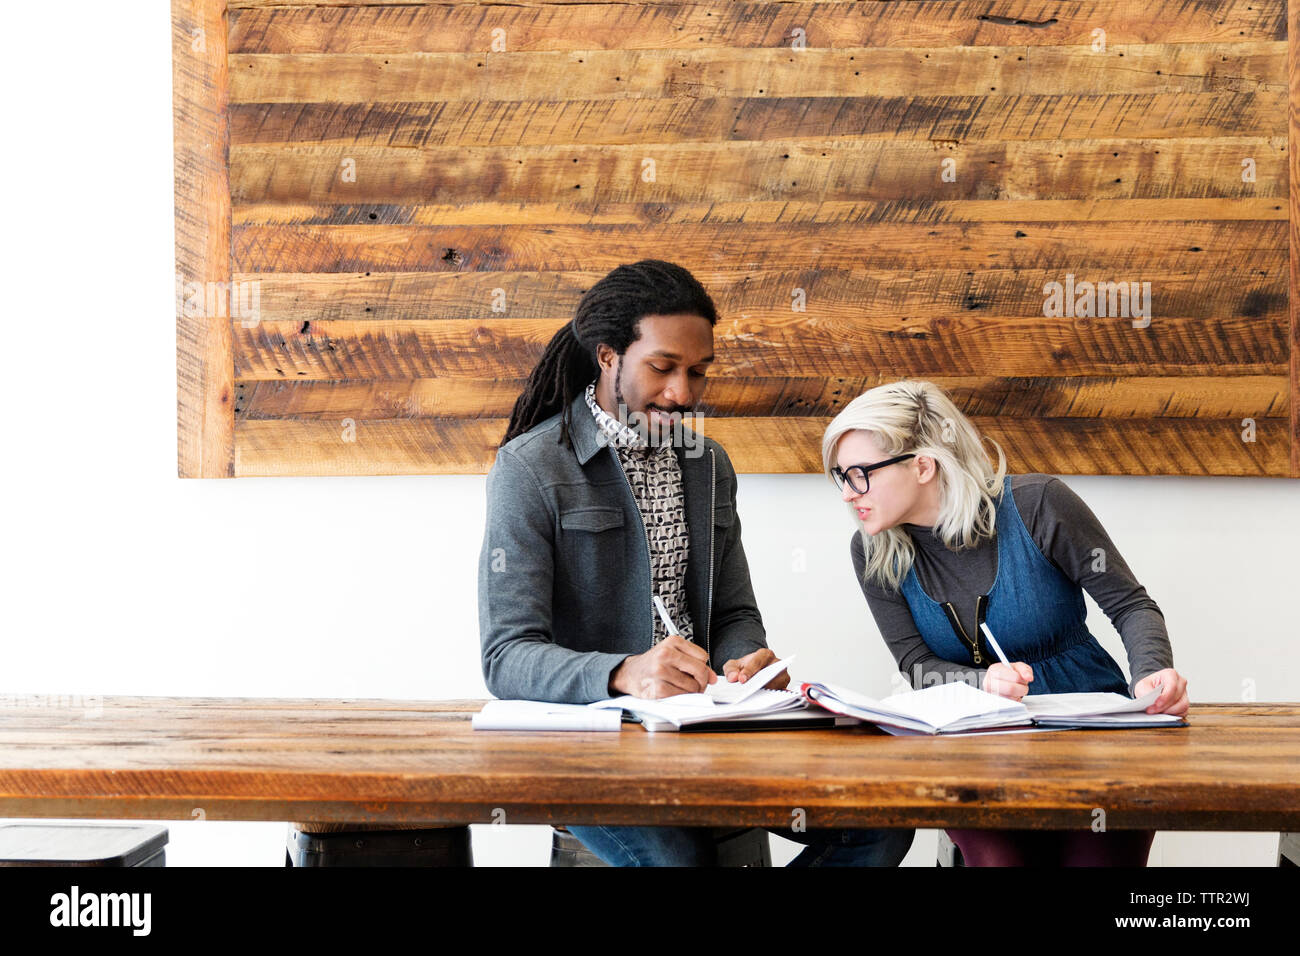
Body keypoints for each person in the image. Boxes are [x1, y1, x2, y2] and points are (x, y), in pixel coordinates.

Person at [478, 259, 915, 866]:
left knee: (881, 827)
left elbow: (734, 609)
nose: (682, 394)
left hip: (708, 732)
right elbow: (506, 658)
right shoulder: (529, 470)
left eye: (697, 372)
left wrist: (745, 661)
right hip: (592, 750)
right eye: (662, 368)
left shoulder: (707, 463)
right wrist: (625, 672)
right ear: (608, 356)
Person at [821, 379, 1189, 867]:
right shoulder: (873, 551)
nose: (849, 494)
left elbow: (1130, 605)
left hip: (1092, 735)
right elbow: (916, 666)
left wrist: (1152, 673)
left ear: (923, 465)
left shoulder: (1039, 504)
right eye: (840, 477)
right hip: (971, 749)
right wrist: (980, 682)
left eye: (859, 474)